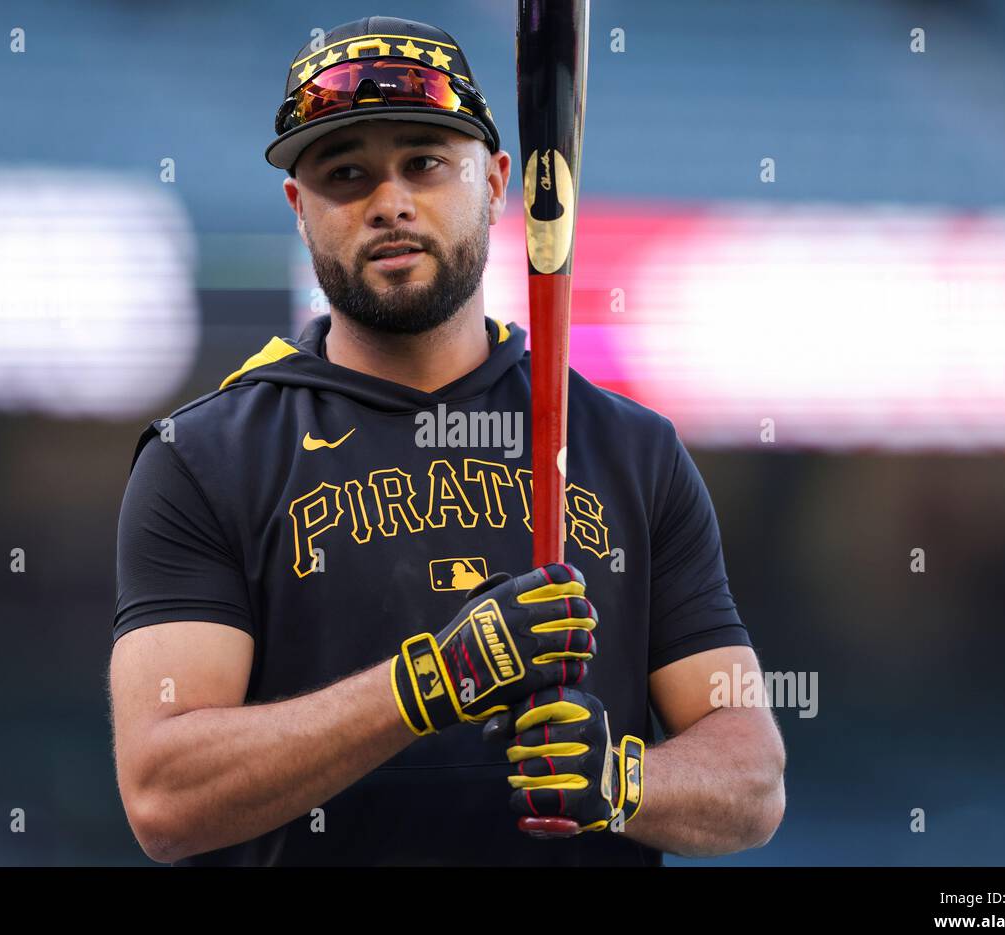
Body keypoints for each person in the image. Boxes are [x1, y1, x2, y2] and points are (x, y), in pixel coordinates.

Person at [109, 15, 785, 865]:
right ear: (299, 207)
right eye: (345, 174)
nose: (389, 201)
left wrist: (622, 782)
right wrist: (434, 682)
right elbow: (164, 796)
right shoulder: (203, 458)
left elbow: (753, 778)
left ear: (499, 181)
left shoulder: (631, 450)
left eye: (425, 163)